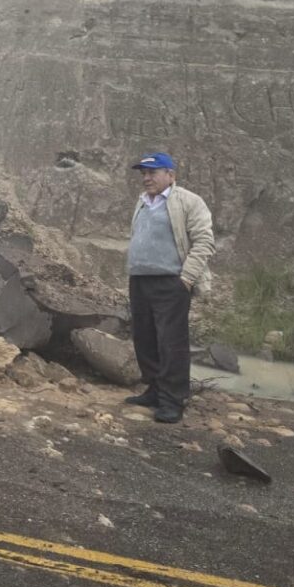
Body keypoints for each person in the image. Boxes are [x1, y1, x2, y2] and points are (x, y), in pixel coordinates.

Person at [124, 152, 214, 423]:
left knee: (170, 341)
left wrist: (186, 279)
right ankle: (154, 389)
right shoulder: (142, 202)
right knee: (145, 338)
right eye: (144, 173)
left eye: (152, 172)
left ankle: (173, 400)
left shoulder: (188, 201)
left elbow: (204, 242)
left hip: (171, 281)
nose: (146, 178)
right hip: (140, 280)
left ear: (170, 175)